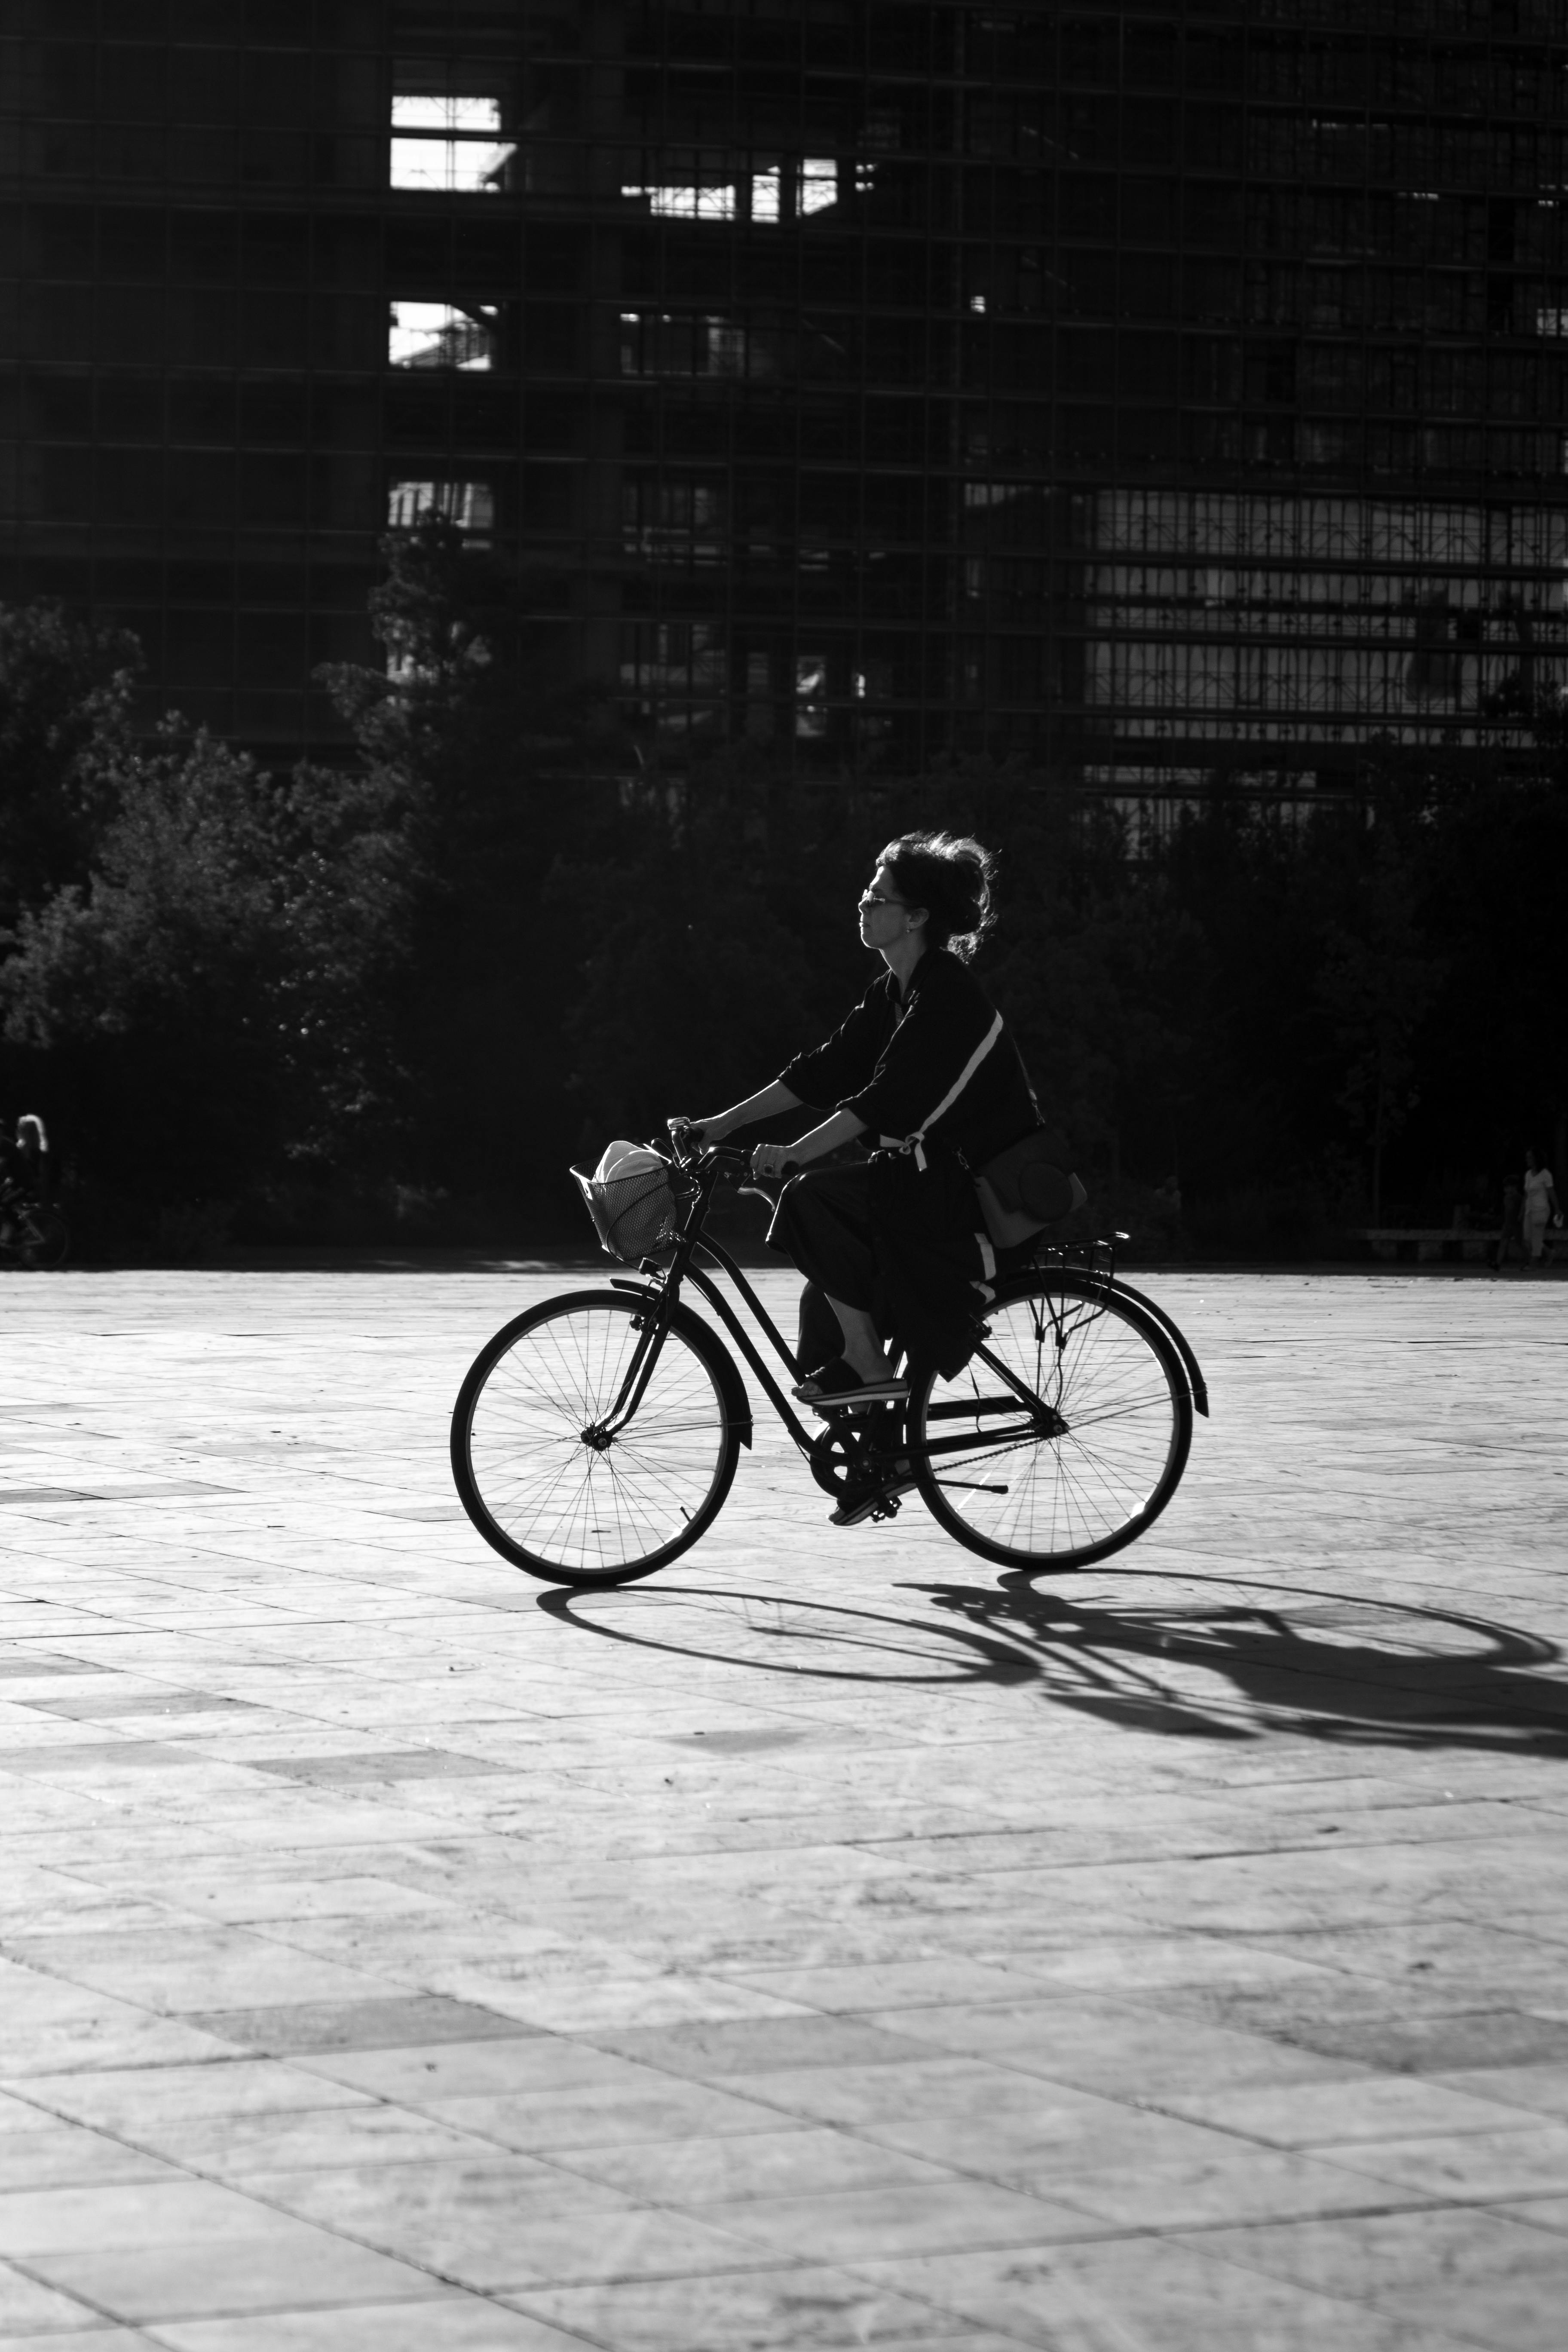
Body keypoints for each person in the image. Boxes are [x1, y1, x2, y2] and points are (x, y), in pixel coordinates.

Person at [681, 831, 1041, 1406]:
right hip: (924, 1185)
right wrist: (718, 1125)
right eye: (866, 894)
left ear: (916, 917)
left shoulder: (947, 995)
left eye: (878, 899)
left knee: (808, 1199)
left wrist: (796, 1153)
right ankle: (868, 1459)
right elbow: (820, 1073)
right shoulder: (893, 993)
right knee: (822, 1302)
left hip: (977, 1198)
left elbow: (883, 1101)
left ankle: (869, 1366)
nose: (863, 905)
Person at [1521, 1145, 1562, 1271]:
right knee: (1527, 1238)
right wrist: (1522, 1211)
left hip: (1542, 1210)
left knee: (1537, 1237)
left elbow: (1551, 1192)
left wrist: (1557, 1209)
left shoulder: (1546, 1174)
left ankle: (1534, 1263)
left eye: (1530, 1158)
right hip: (1530, 1209)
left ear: (1536, 1159)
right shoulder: (1528, 1174)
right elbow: (1526, 1194)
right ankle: (1549, 1253)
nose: (1528, 1160)